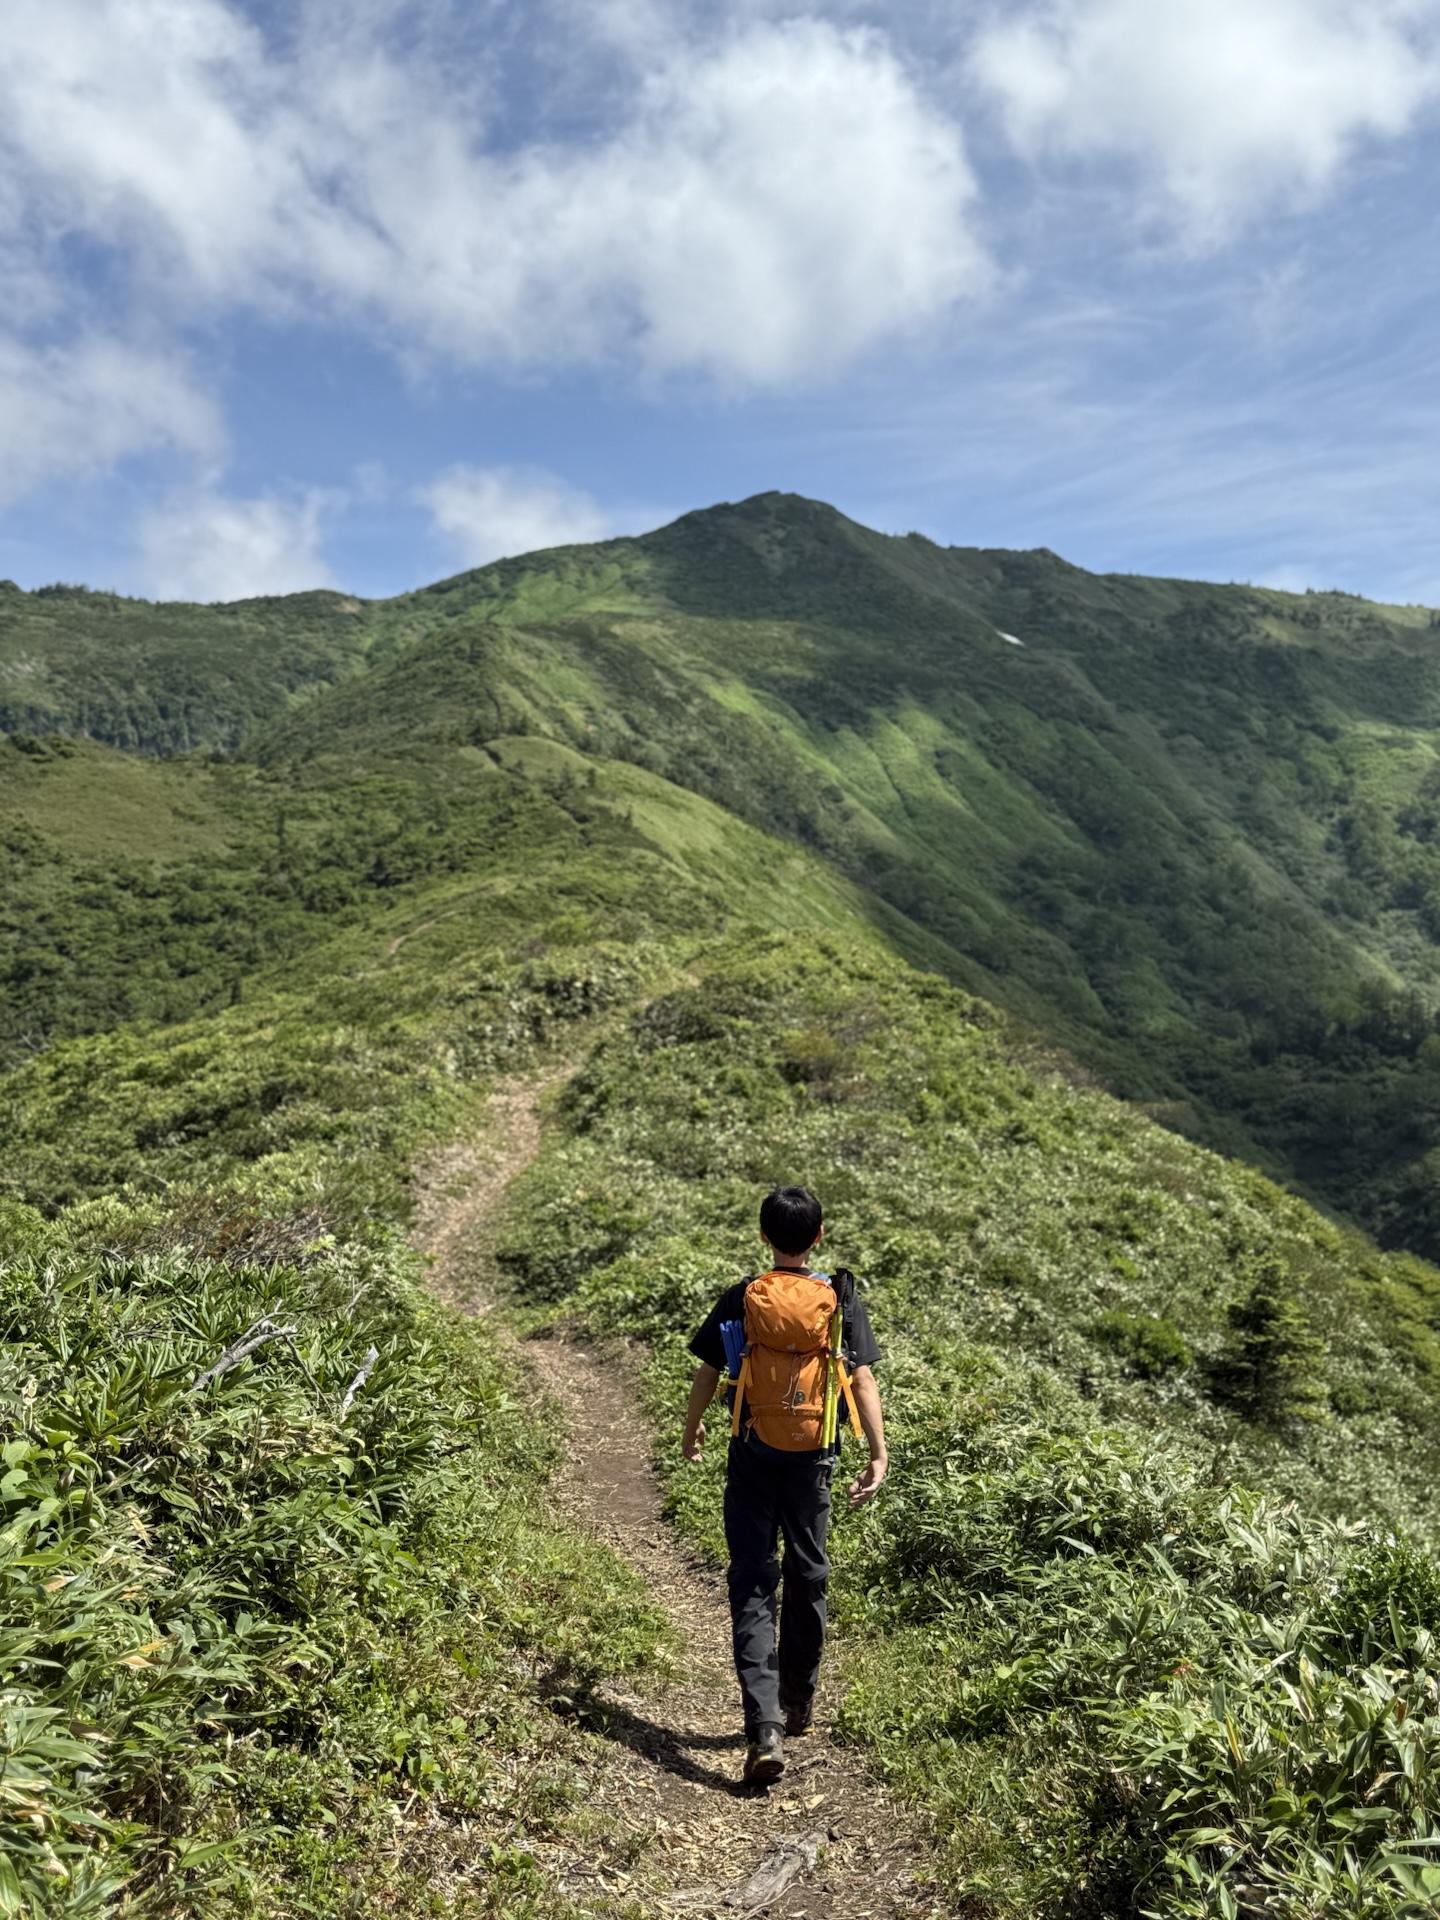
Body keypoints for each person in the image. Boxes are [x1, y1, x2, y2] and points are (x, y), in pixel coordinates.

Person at [680, 1184, 887, 1786]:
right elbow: (863, 1378)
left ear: (764, 1235)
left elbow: (707, 1370)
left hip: (751, 1451)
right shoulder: (839, 1295)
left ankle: (764, 1728)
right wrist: (878, 1453)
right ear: (818, 1237)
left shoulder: (745, 1296)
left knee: (751, 1580)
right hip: (814, 1457)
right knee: (808, 1572)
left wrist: (692, 1433)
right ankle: (799, 1701)